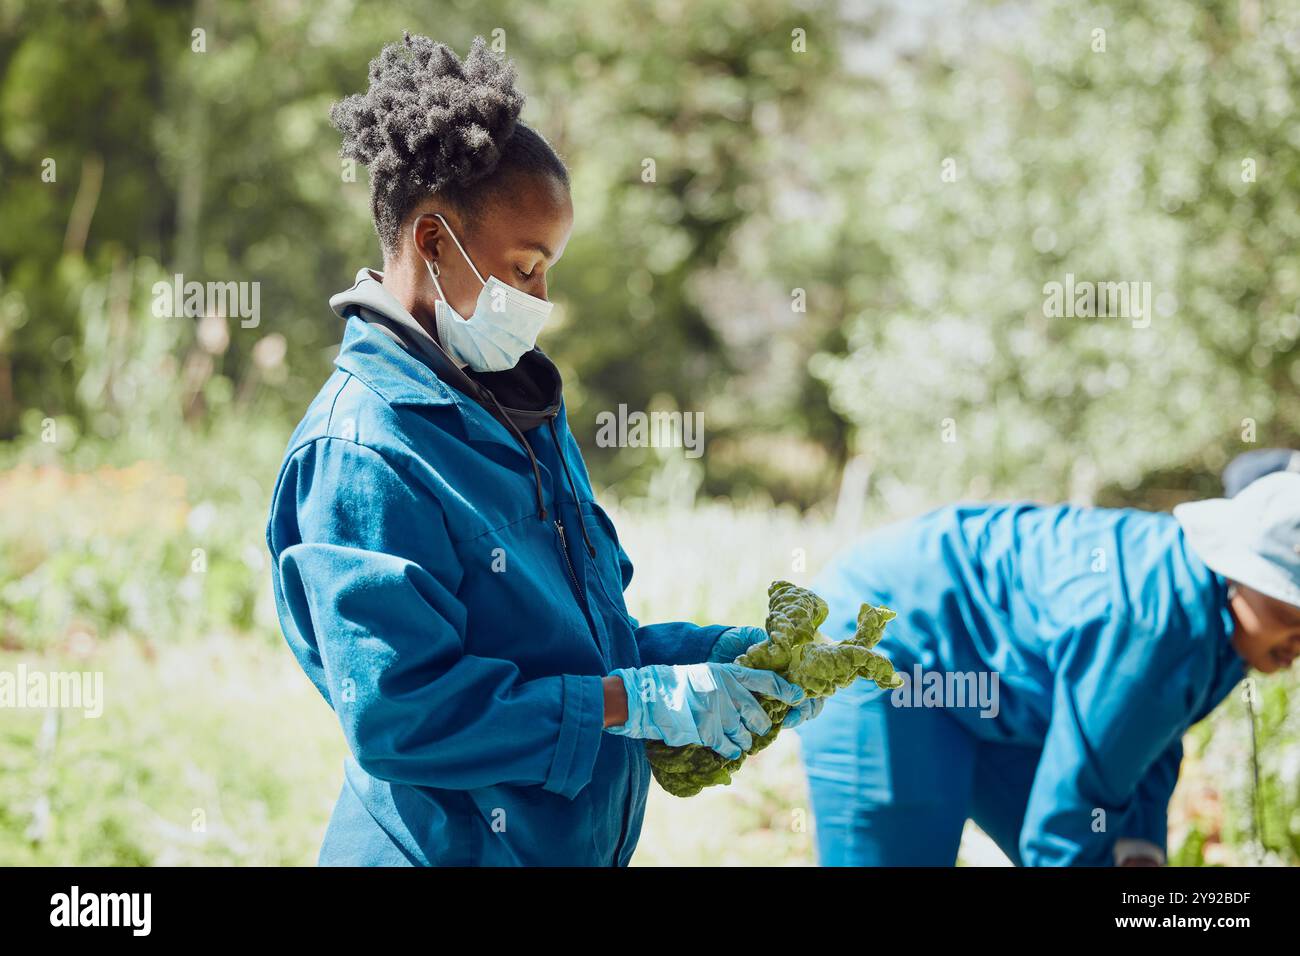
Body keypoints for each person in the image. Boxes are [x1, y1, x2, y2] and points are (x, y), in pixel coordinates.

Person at [265, 34, 815, 866]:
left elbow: (574, 652)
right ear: (434, 243)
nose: (540, 300)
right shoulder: (365, 450)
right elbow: (401, 715)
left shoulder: (521, 408)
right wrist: (630, 704)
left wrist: (706, 662)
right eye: (525, 269)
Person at [796, 472, 1300, 866]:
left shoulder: (1237, 622)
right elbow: (1070, 819)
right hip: (888, 636)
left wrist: (1140, 849)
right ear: (1236, 571)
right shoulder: (1147, 624)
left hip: (995, 686)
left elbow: (1150, 735)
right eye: (1291, 611)